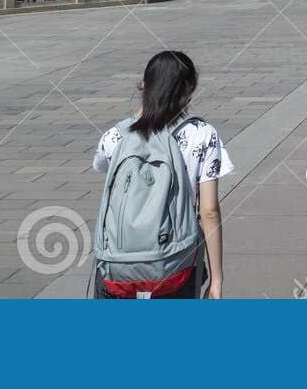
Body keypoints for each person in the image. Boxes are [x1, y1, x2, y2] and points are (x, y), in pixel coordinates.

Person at [91, 50, 231, 298]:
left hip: (117, 265)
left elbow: (101, 167)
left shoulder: (116, 136)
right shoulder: (203, 134)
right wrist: (217, 280)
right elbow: (208, 211)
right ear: (188, 92)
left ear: (144, 86)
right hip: (176, 265)